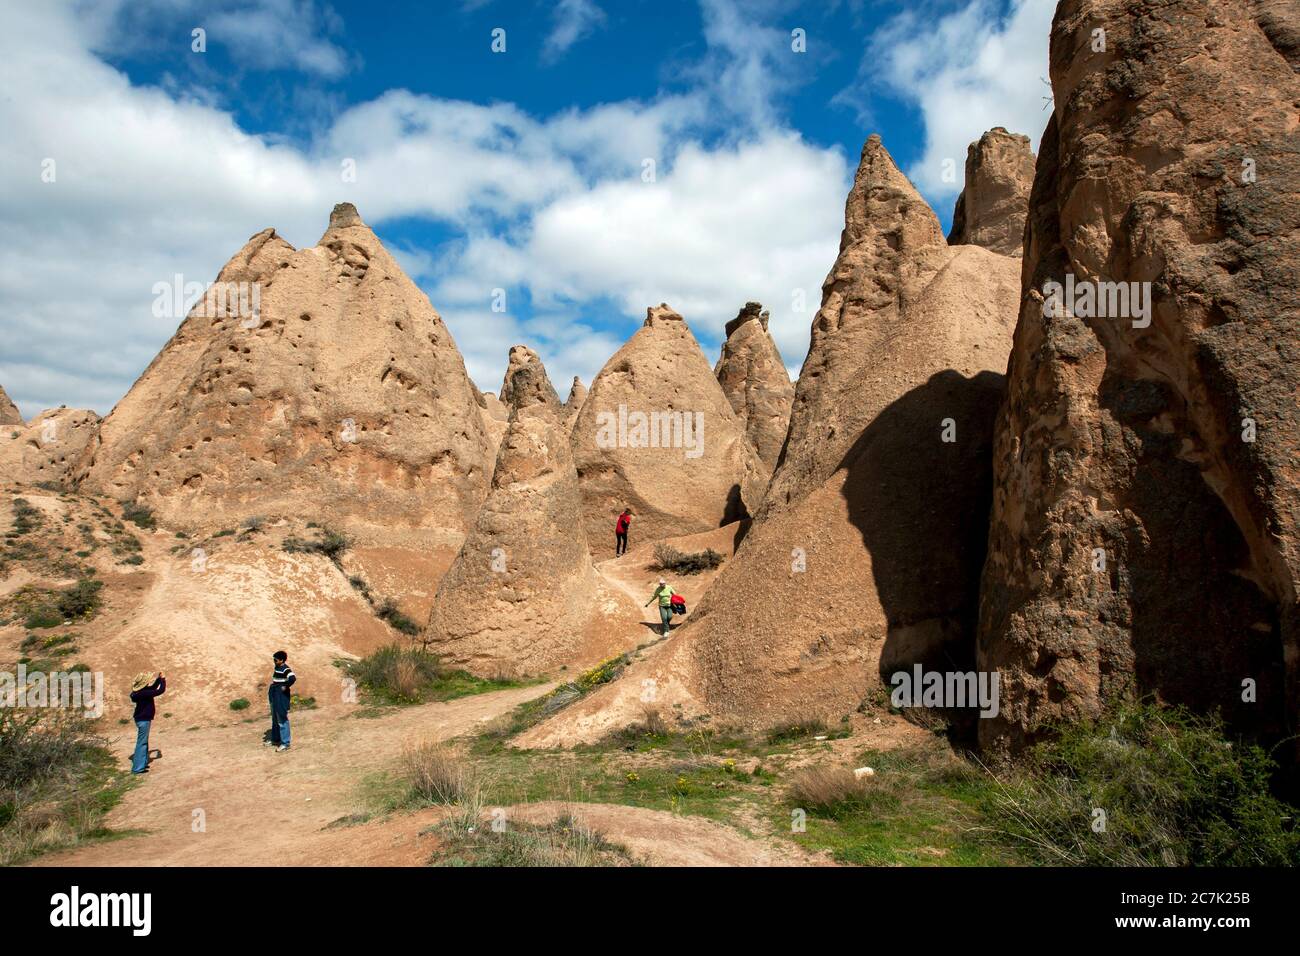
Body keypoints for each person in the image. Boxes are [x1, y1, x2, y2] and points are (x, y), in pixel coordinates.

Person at [128, 671, 165, 775]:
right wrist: (163, 680)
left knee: (143, 742)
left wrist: (159, 679)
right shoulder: (144, 693)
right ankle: (138, 768)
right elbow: (160, 690)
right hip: (143, 720)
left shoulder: (140, 692)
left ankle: (142, 764)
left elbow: (153, 687)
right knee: (142, 743)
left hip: (141, 719)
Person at [267, 650, 296, 752]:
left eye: (276, 659)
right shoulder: (277, 667)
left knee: (282, 719)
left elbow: (292, 678)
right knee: (275, 718)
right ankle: (276, 739)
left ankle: (285, 743)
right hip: (275, 694)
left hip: (281, 696)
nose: (274, 661)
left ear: (282, 660)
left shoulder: (286, 669)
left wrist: (285, 686)